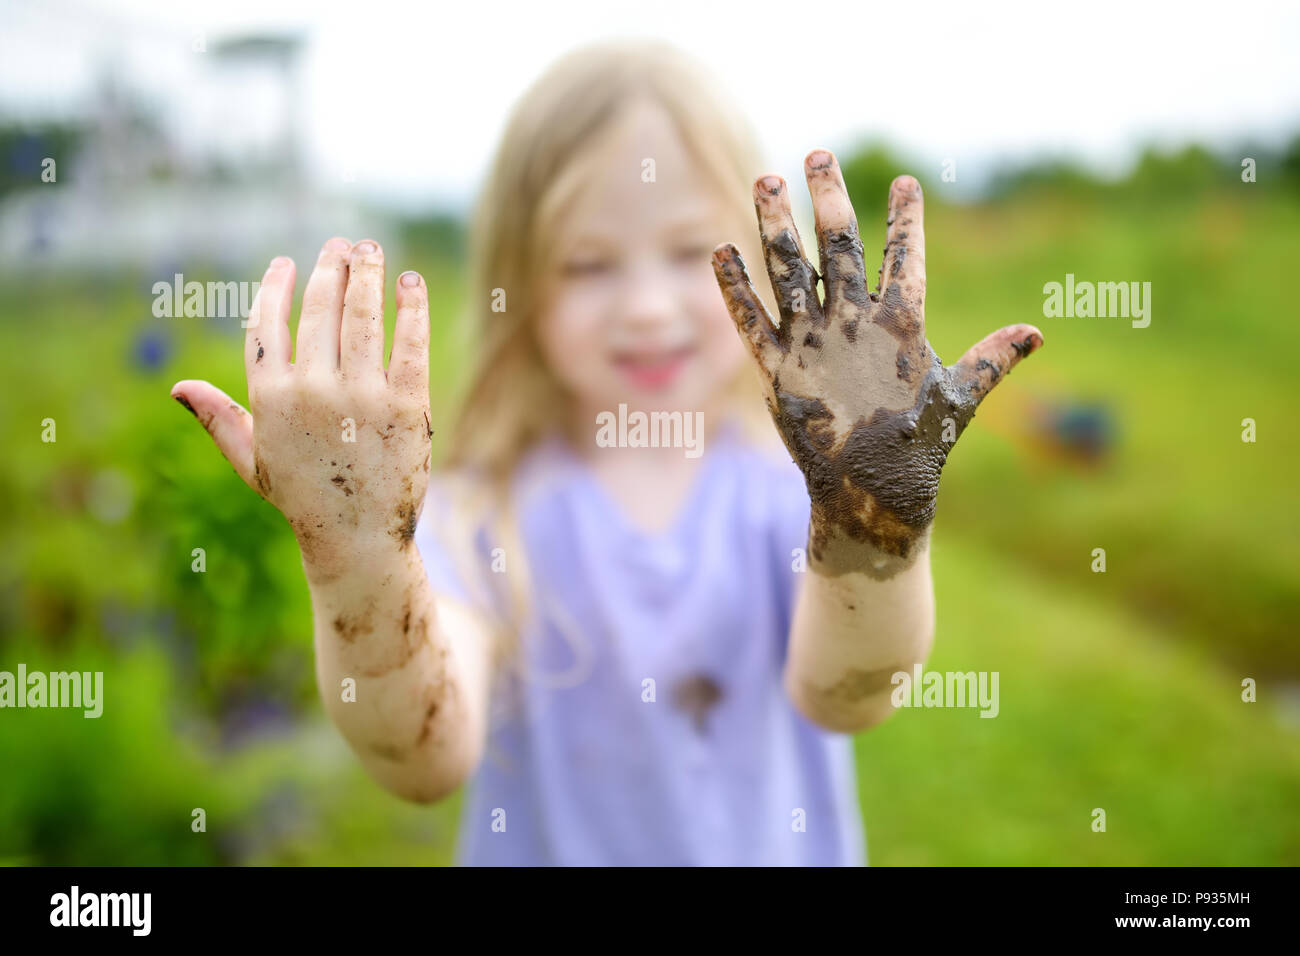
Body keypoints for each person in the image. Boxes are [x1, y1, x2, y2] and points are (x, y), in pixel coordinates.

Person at [171, 41, 1042, 866]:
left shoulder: (789, 492)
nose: (649, 308)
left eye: (687, 255)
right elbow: (422, 758)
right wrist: (359, 560)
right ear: (521, 281)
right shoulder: (478, 512)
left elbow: (850, 694)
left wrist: (869, 515)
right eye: (589, 264)